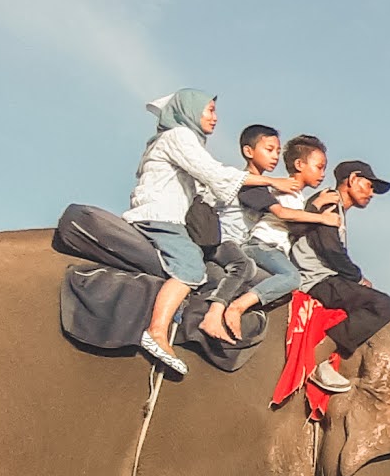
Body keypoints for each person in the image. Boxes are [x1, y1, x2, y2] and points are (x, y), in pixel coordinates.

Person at [121, 89, 295, 374]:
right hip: (159, 217)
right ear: (189, 109)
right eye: (209, 110)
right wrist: (275, 182)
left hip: (172, 219)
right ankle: (157, 331)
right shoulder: (179, 137)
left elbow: (207, 186)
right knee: (191, 267)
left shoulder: (185, 141)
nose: (215, 118)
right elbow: (214, 174)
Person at [216, 134, 342, 340]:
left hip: (271, 249)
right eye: (319, 167)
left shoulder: (297, 196)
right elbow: (286, 215)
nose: (322, 174)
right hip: (263, 245)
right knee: (292, 278)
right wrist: (322, 217)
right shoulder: (285, 190)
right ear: (300, 164)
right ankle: (237, 307)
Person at [288, 160, 390, 392]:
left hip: (325, 277)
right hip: (317, 279)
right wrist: (358, 278)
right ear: (351, 179)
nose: (371, 193)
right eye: (368, 185)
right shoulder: (329, 201)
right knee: (383, 305)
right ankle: (322, 355)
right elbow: (330, 250)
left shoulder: (336, 206)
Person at [195, 124, 280, 342]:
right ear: (248, 151)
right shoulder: (243, 181)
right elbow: (281, 212)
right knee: (244, 266)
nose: (275, 156)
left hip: (235, 244)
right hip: (221, 240)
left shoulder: (262, 187)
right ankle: (213, 315)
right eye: (269, 150)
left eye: (278, 152)